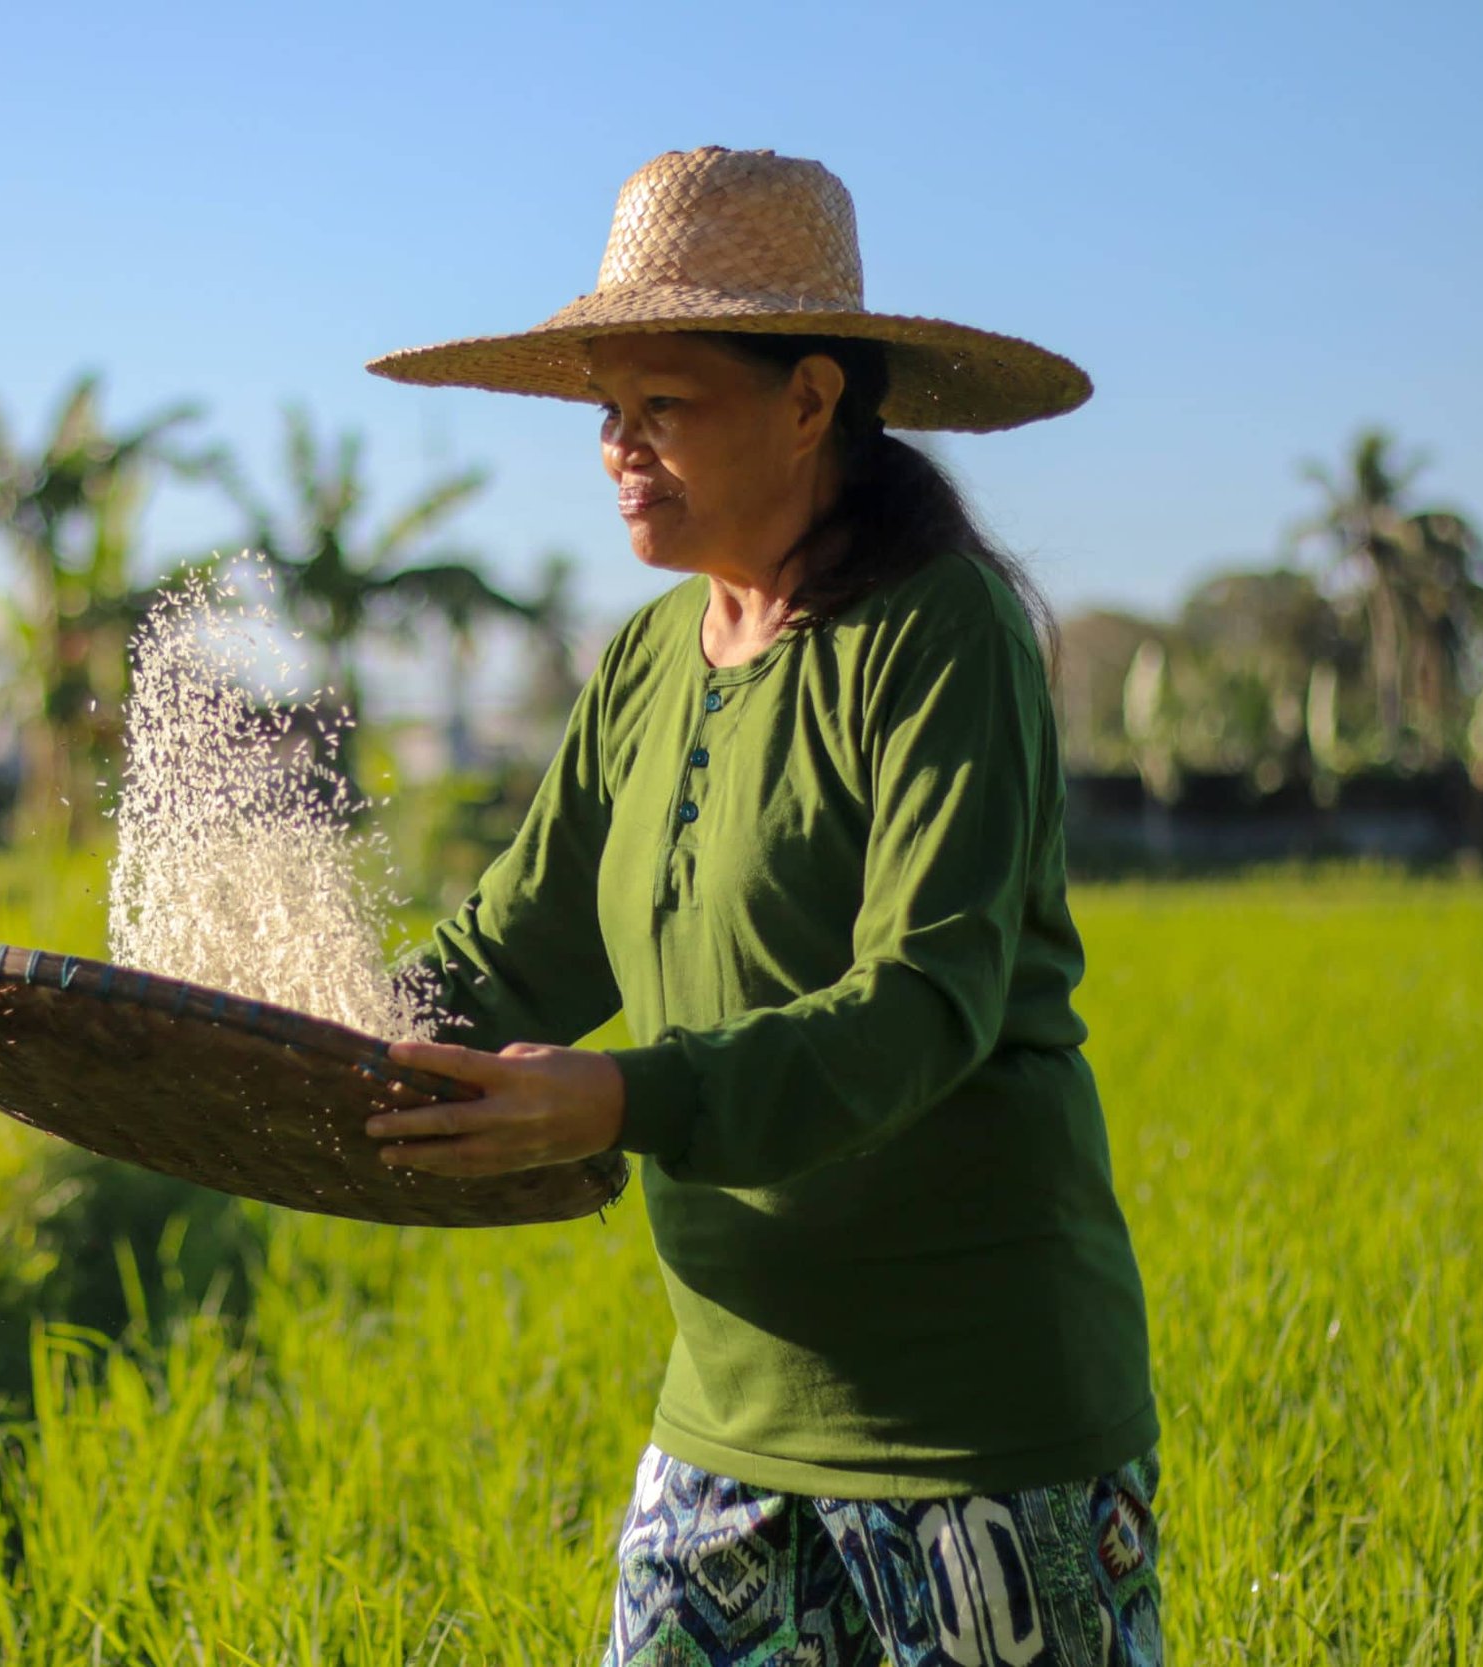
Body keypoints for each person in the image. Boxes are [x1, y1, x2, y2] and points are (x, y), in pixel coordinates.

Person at [359, 148, 1162, 1666]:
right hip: (726, 1413)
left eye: (663, 405)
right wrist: (279, 1034)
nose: (617, 448)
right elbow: (516, 951)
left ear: (809, 400)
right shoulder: (654, 657)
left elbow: (925, 1005)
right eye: (607, 410)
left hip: (975, 1422)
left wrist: (617, 1098)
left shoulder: (941, 637)